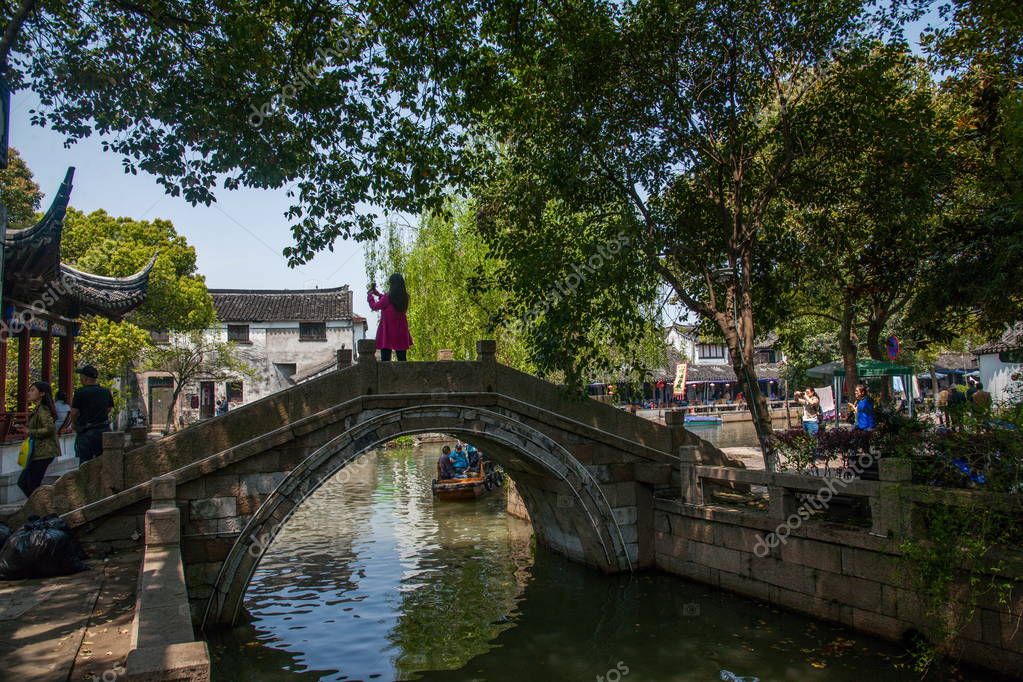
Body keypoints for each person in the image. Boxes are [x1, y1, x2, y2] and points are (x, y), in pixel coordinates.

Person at [18, 381, 60, 498]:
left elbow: (49, 429)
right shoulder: (38, 409)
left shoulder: (43, 409)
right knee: (29, 483)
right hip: (40, 451)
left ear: (41, 393)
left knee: (27, 483)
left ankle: (43, 511)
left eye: (32, 390)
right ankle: (39, 512)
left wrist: (29, 431)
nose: (29, 393)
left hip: (44, 451)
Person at [70, 364, 114, 464]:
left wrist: (74, 424)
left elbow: (74, 412)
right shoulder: (105, 391)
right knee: (102, 460)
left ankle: (86, 479)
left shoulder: (80, 392)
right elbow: (109, 408)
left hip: (86, 432)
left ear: (85, 378)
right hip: (103, 430)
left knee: (85, 461)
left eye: (81, 376)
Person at [367, 273, 413, 361]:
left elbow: (374, 306)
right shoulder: (405, 297)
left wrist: (370, 296)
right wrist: (379, 294)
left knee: (385, 361)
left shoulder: (388, 298)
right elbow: (390, 302)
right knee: (402, 360)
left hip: (388, 332)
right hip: (401, 332)